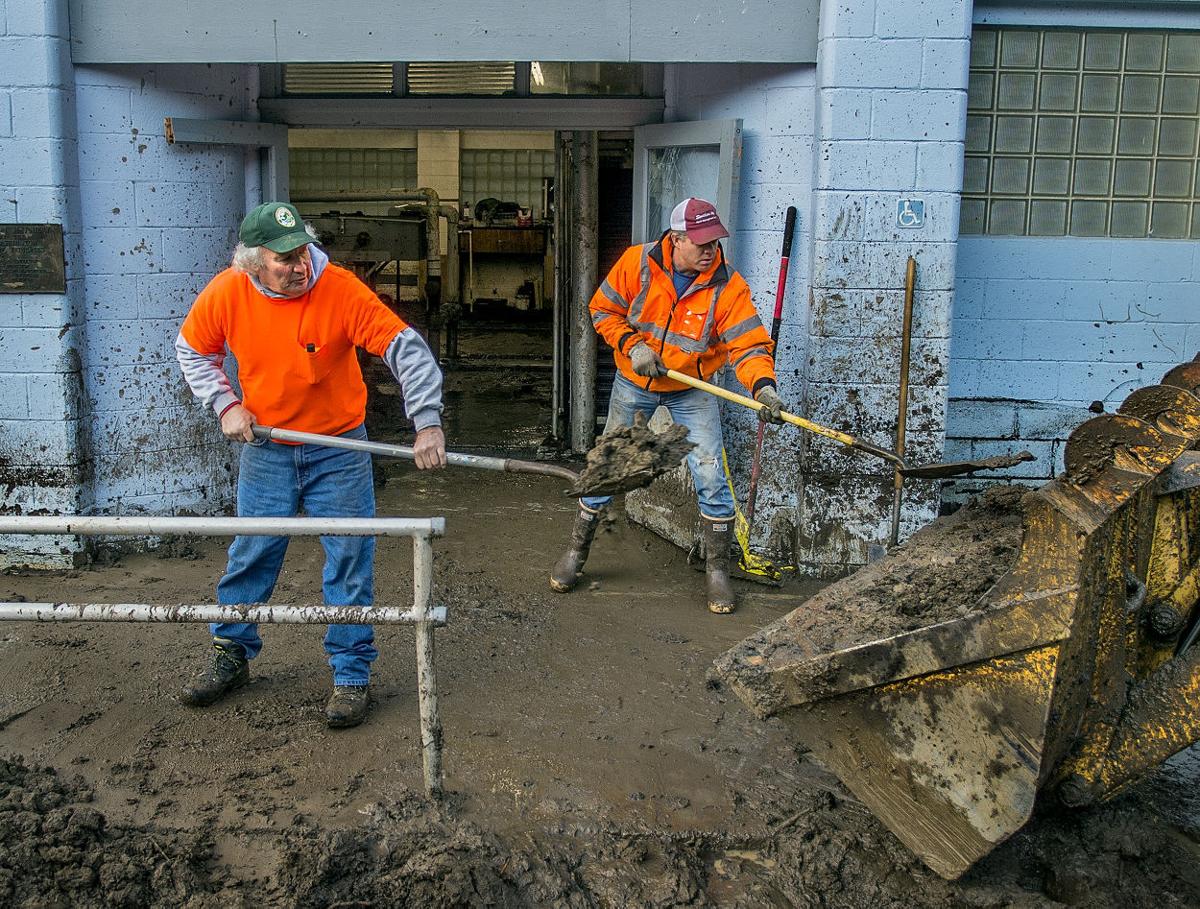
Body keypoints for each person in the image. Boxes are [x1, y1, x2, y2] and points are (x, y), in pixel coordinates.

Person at [175, 201, 446, 728]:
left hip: (340, 448)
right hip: (268, 448)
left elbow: (404, 348)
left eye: (302, 251)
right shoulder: (227, 293)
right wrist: (227, 404)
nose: (299, 265)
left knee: (349, 557)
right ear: (254, 264)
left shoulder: (339, 288)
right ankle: (231, 652)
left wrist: (427, 420)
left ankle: (350, 674)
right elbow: (192, 351)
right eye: (284, 259)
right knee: (252, 551)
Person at [550, 198, 784, 614]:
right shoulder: (636, 263)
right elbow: (602, 309)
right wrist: (632, 344)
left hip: (692, 388)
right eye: (700, 242)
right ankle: (575, 553)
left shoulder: (728, 286)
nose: (710, 250)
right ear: (676, 239)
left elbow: (747, 345)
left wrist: (763, 387)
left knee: (711, 472)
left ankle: (717, 572)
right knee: (609, 466)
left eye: (715, 241)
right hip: (635, 380)